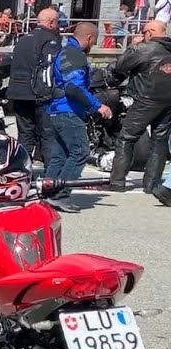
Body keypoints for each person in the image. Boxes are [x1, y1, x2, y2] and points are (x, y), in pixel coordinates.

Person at [40, 22, 110, 213]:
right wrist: (97, 106)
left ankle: (48, 194)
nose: (93, 45)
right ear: (89, 38)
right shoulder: (76, 55)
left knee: (59, 156)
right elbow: (73, 87)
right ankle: (60, 195)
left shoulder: (63, 52)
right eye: (93, 41)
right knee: (80, 152)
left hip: (54, 110)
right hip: (68, 111)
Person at [106, 20, 171, 196]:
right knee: (160, 140)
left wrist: (133, 47)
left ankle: (117, 181)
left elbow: (120, 66)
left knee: (126, 137)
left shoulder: (145, 48)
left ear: (150, 32)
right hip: (167, 102)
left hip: (145, 99)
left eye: (144, 32)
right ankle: (152, 184)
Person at [6, 7, 60, 166]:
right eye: (57, 23)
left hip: (18, 93)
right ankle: (51, 175)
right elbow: (50, 68)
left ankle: (19, 171)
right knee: (48, 135)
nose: (58, 27)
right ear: (51, 22)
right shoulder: (50, 40)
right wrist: (50, 92)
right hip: (38, 94)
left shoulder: (23, 39)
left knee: (25, 135)